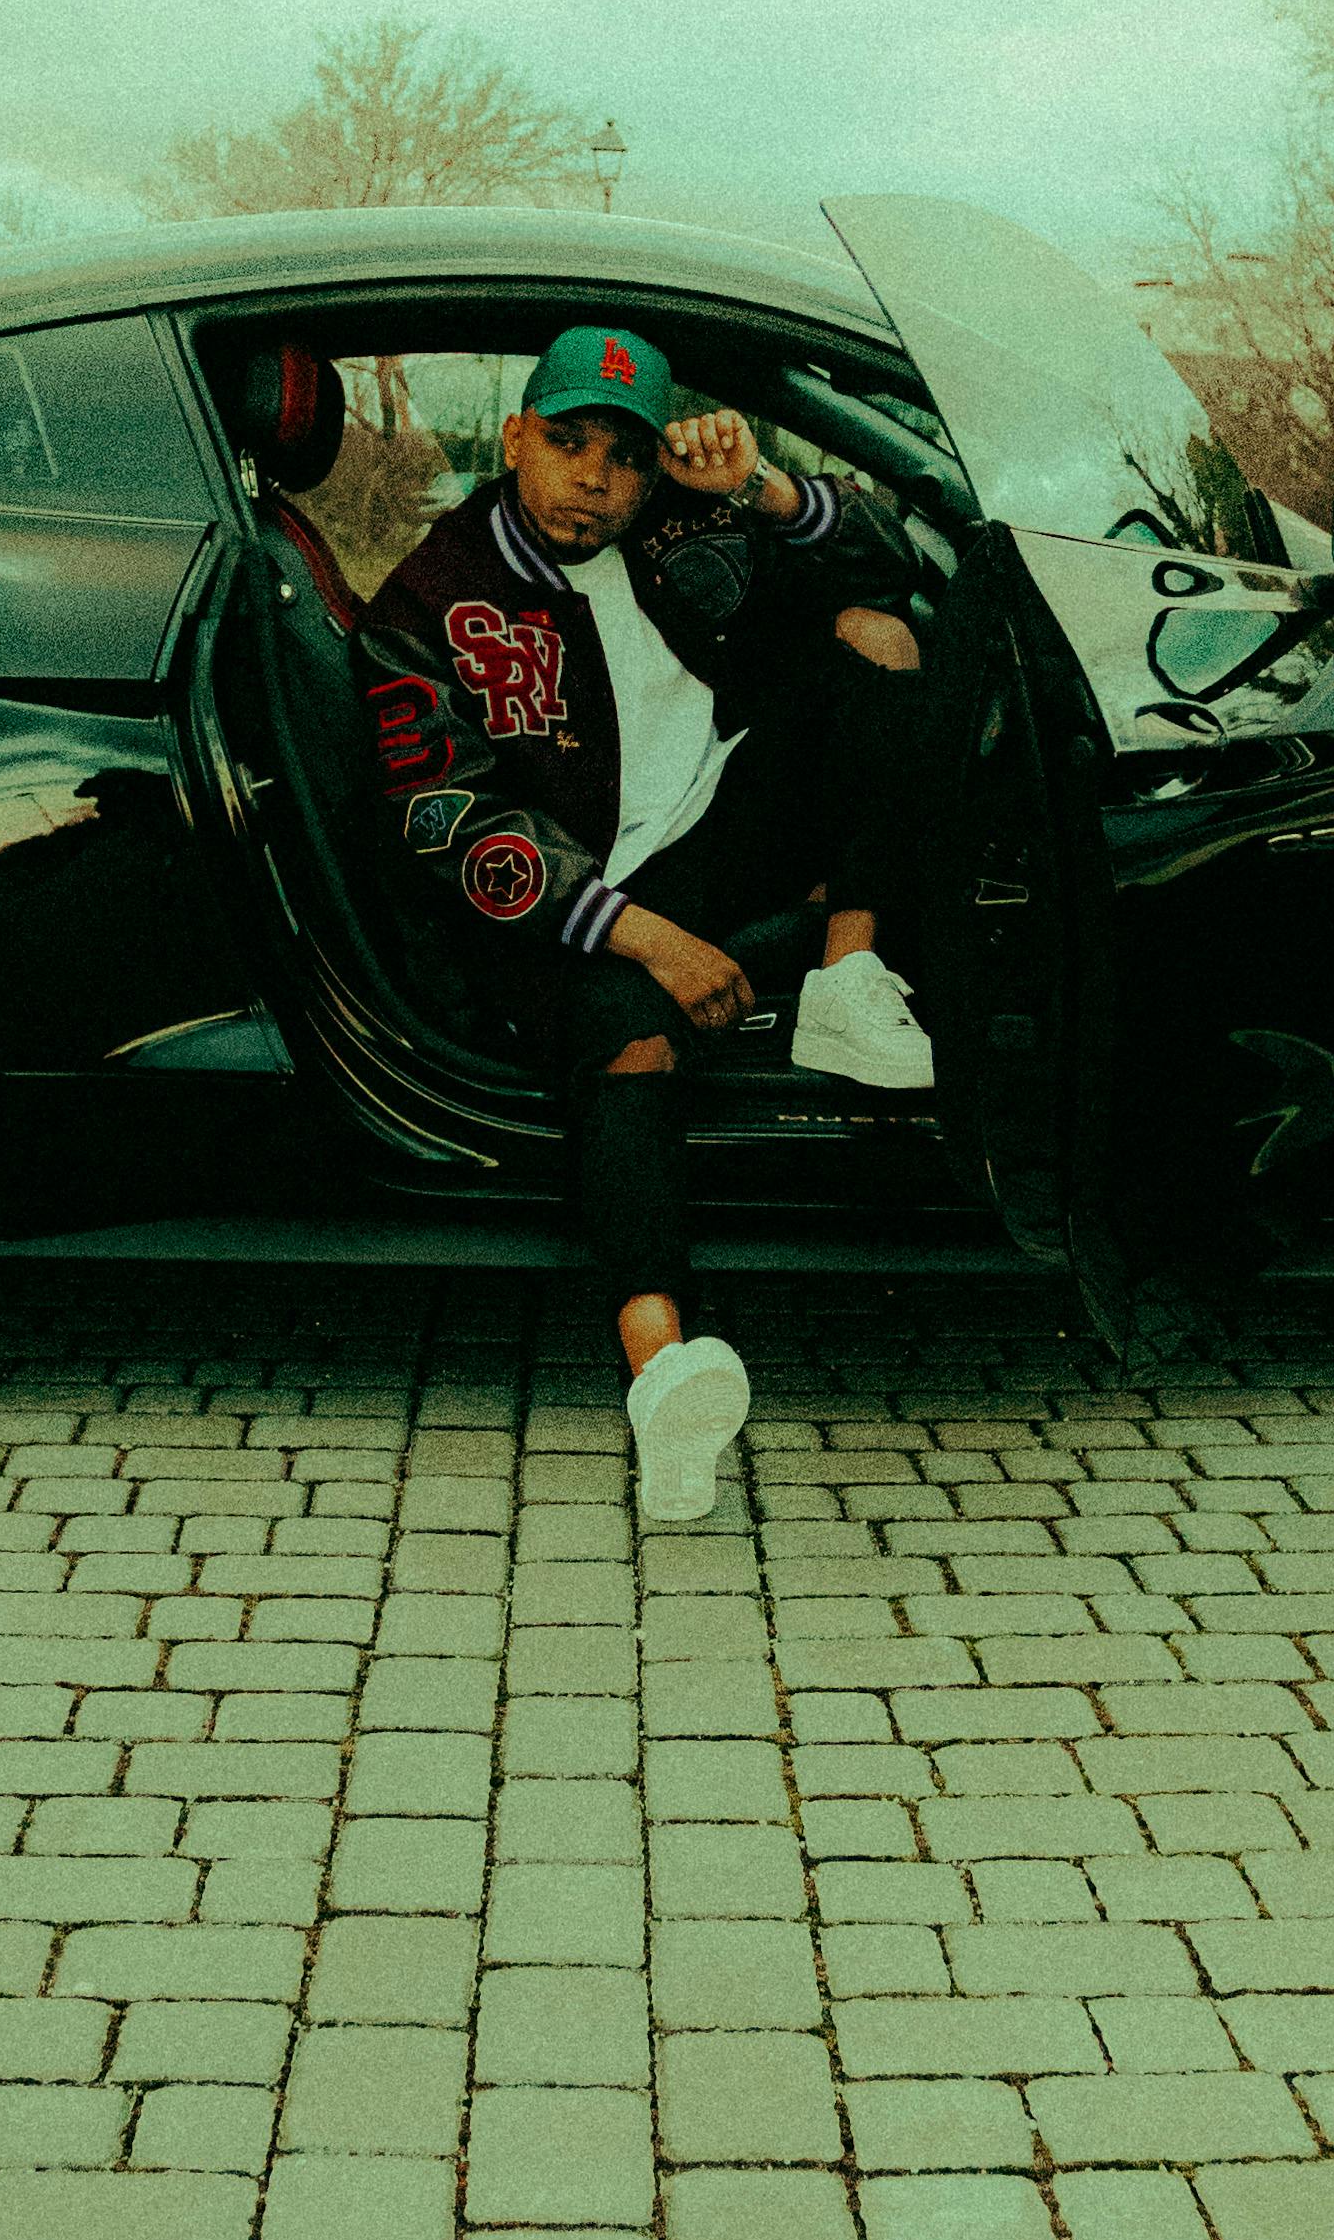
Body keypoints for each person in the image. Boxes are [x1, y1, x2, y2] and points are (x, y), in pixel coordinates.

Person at [362, 324, 931, 1525]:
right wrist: (647, 939)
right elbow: (444, 817)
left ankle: (842, 969)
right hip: (555, 912)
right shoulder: (432, 593)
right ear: (514, 438)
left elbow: (897, 556)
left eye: (624, 454)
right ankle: (662, 1368)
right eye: (566, 443)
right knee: (633, 1036)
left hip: (702, 835)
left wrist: (761, 487)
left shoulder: (683, 520)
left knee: (878, 643)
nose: (595, 477)